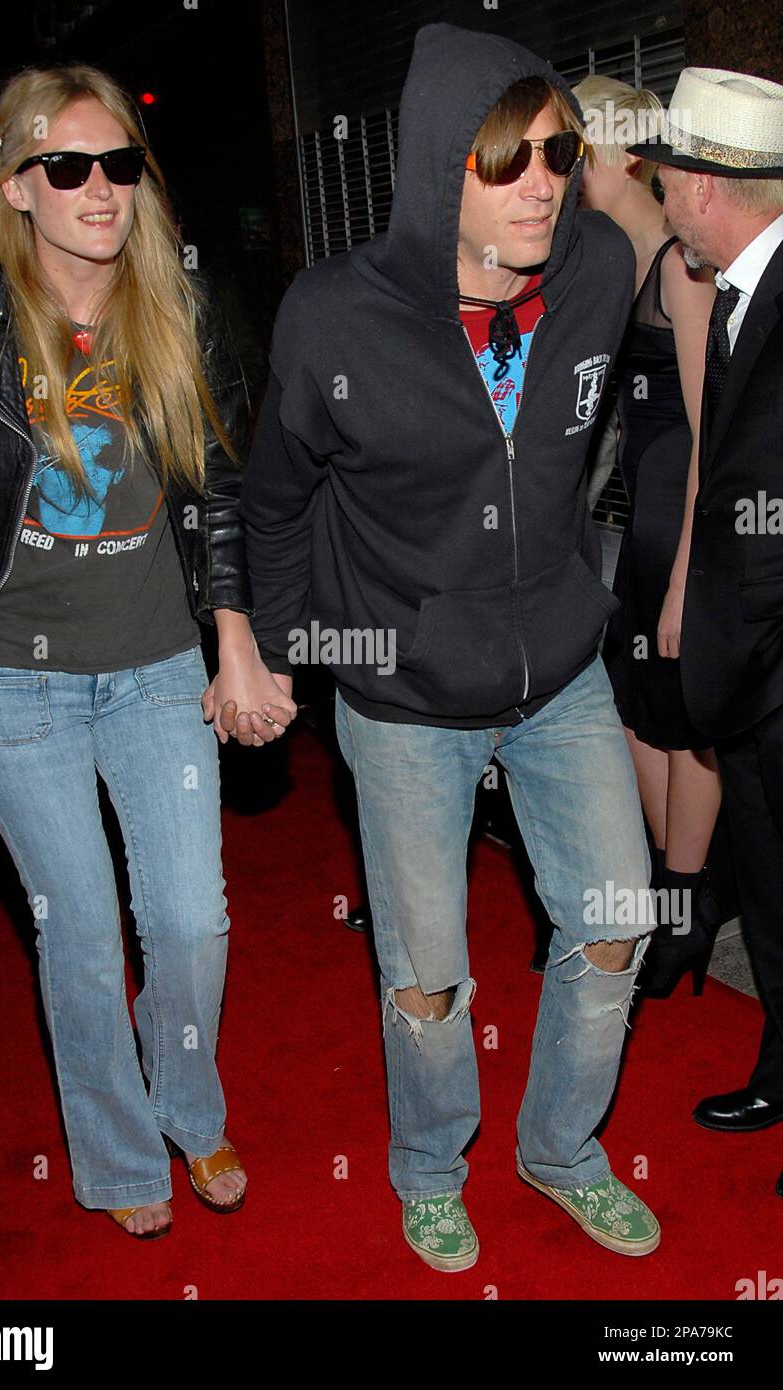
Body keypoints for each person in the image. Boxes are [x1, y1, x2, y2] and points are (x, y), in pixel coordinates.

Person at [240, 23, 661, 1270]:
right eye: (503, 157)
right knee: (426, 982)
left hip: (558, 676)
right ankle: (429, 1167)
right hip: (404, 694)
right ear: (440, 169)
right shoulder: (334, 317)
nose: (538, 179)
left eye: (554, 150)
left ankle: (559, 1147)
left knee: (612, 926)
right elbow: (270, 501)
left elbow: (689, 257)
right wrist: (273, 649)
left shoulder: (589, 269)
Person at [0, 64, 296, 1239]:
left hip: (156, 668)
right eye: (65, 167)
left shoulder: (180, 304)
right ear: (17, 185)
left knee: (188, 920)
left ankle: (185, 1099)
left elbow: (222, 487)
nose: (97, 188)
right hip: (9, 684)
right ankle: (120, 1156)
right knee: (76, 926)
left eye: (117, 164)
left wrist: (236, 640)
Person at [628, 66, 783, 1197]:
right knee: (772, 888)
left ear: (700, 185)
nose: (653, 191)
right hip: (753, 682)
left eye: (663, 174)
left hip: (774, 670)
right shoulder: (730, 288)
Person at [574, 75, 723, 997]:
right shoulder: (606, 257)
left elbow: (717, 429)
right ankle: (678, 895)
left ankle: (685, 903)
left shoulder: (679, 263)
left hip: (684, 516)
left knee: (681, 714)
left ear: (622, 155)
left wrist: (684, 580)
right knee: (633, 706)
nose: (556, 175)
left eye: (572, 153)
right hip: (635, 515)